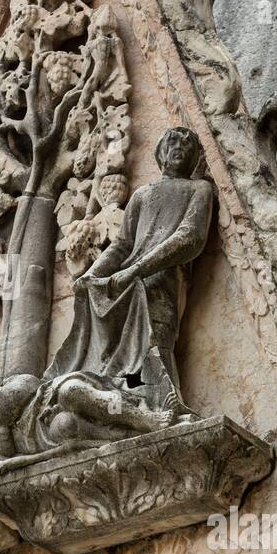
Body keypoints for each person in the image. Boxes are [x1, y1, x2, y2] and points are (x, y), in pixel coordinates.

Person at [48, 126, 213, 416]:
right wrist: (92, 274)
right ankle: (127, 404)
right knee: (121, 349)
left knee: (156, 341)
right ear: (160, 152)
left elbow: (190, 237)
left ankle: (165, 406)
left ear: (194, 157)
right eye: (172, 142)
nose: (178, 149)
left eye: (187, 146)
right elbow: (122, 245)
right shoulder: (142, 194)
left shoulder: (199, 189)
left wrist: (138, 270)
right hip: (126, 280)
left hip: (163, 279)